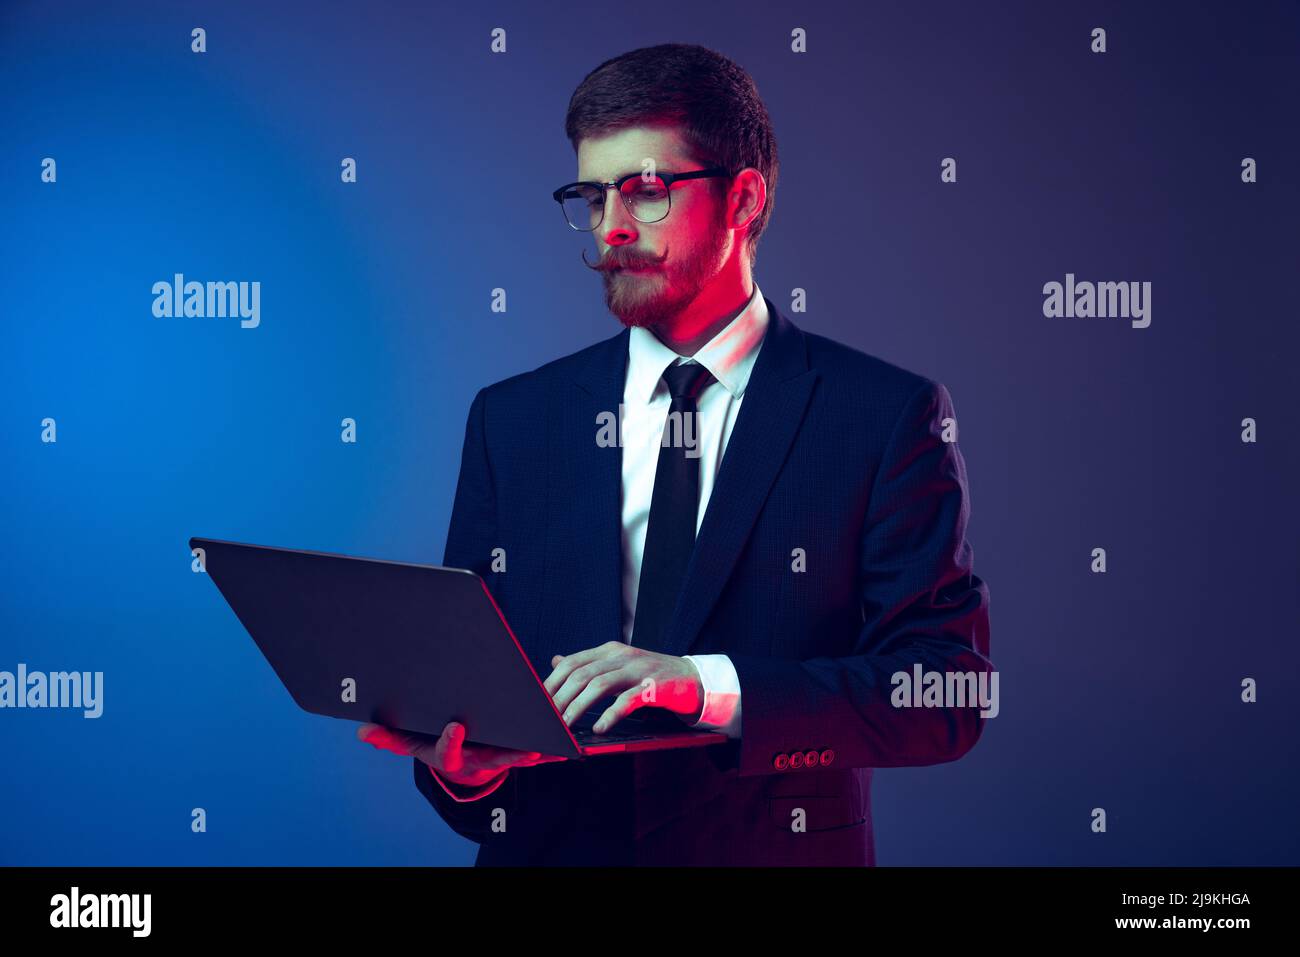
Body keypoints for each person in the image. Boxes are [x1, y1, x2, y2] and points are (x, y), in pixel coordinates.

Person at [358, 42, 992, 866]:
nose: (611, 225)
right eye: (593, 194)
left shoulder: (882, 415)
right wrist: (467, 775)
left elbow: (945, 692)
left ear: (744, 199)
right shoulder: (512, 420)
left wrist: (704, 686)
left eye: (647, 190)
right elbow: (474, 699)